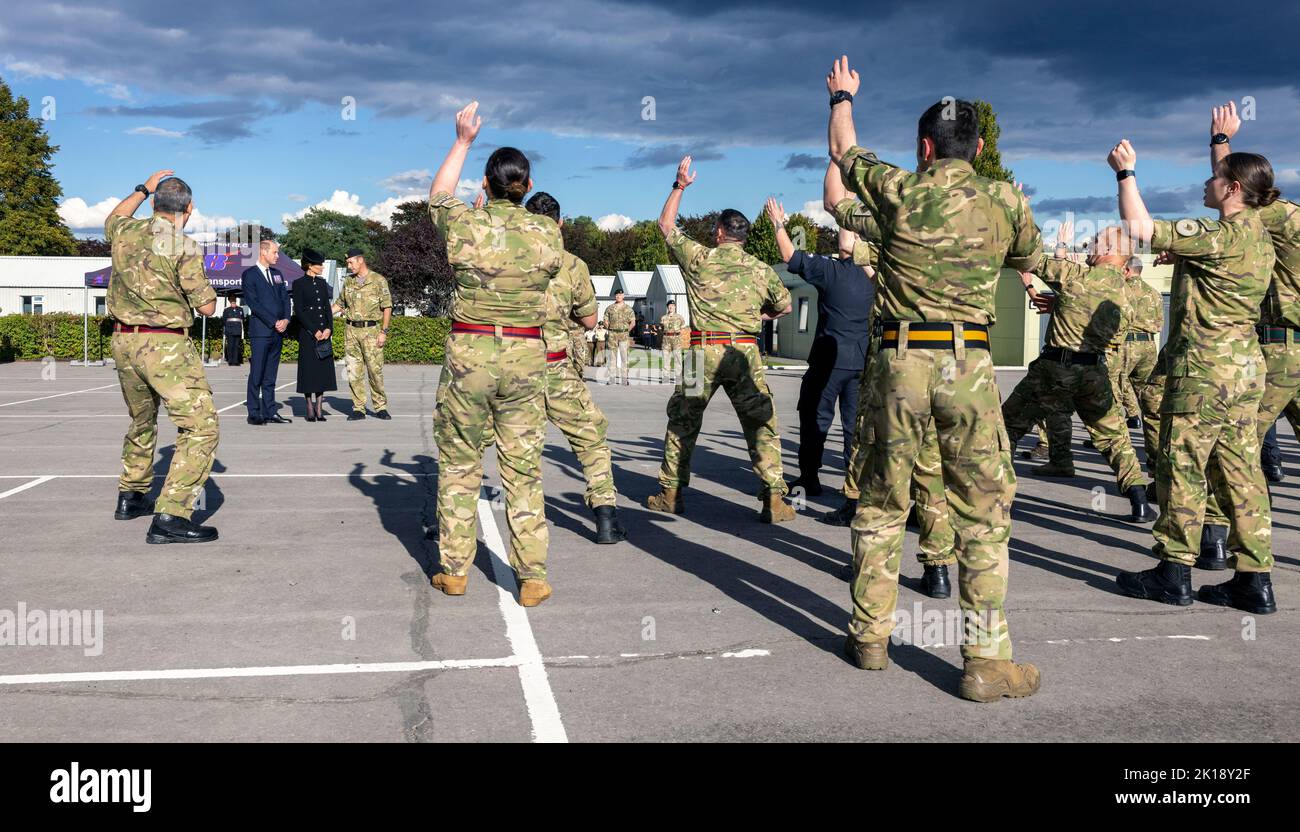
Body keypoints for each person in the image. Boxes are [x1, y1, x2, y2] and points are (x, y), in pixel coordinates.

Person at [829, 57, 1042, 700]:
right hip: (970, 366)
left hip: (897, 363)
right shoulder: (1004, 198)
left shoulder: (898, 190)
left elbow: (844, 153)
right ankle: (983, 659)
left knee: (882, 504)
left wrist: (841, 96)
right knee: (981, 515)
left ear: (924, 148)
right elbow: (1029, 257)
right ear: (977, 148)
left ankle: (870, 637)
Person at [1111, 138, 1277, 615]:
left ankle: (1173, 571)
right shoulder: (1260, 236)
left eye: (1215, 176)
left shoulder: (1218, 235)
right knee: (1241, 472)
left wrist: (1126, 173)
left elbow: (1139, 228)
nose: (1207, 180)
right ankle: (1254, 579)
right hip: (1245, 369)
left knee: (1182, 463)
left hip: (1203, 369)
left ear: (1233, 189)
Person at [427, 102, 564, 607]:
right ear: (527, 188)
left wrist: (462, 141)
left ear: (485, 185)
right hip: (527, 353)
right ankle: (532, 577)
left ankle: (456, 570)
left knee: (460, 464)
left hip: (470, 352)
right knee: (523, 468)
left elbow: (438, 196)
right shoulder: (547, 231)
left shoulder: (467, 225)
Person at [822, 162, 955, 599]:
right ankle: (937, 569)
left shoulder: (896, 227)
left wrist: (837, 158)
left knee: (886, 470)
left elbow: (840, 223)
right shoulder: (968, 234)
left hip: (899, 363)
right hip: (955, 364)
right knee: (931, 472)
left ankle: (872, 570)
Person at [643, 155, 796, 523]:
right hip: (744, 350)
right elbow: (786, 306)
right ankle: (774, 499)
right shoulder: (760, 269)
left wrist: (679, 186)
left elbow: (666, 225)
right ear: (743, 237)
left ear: (719, 233)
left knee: (684, 421)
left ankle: (671, 493)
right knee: (760, 422)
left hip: (702, 350)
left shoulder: (701, 258)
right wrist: (757, 318)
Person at [1001, 223, 1156, 522]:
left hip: (1055, 368)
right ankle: (1138, 501)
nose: (1089, 247)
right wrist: (1062, 305)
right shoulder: (1132, 294)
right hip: (1095, 372)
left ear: (1109, 250)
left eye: (1095, 242)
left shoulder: (1075, 276)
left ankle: (999, 498)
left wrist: (1020, 218)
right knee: (1115, 439)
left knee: (1007, 428)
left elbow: (1030, 259)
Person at [105, 169, 219, 544]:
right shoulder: (182, 244)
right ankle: (171, 515)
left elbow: (114, 217)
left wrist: (142, 187)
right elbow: (206, 307)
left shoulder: (124, 233)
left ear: (154, 203)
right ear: (188, 209)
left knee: (141, 420)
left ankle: (131, 495)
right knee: (201, 427)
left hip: (124, 342)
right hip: (165, 346)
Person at [525, 191, 628, 543]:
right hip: (556, 368)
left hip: (512, 369)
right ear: (561, 222)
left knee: (483, 442)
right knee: (591, 440)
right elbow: (589, 320)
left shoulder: (509, 260)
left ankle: (451, 519)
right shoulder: (572, 265)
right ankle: (605, 518)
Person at [766, 196, 872, 502]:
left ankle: (809, 478)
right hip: (861, 361)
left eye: (844, 228)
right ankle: (855, 486)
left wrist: (777, 222)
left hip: (828, 362)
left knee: (814, 420)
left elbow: (789, 255)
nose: (839, 231)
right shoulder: (876, 275)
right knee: (855, 426)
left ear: (854, 238)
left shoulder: (831, 270)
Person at [333, 248, 393, 420]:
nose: (349, 265)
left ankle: (380, 406)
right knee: (353, 371)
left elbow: (387, 306)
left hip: (372, 331)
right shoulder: (349, 282)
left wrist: (384, 331)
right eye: (347, 263)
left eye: (351, 262)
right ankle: (358, 408)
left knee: (375, 371)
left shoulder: (378, 280)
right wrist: (322, 318)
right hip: (351, 332)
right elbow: (340, 303)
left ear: (360, 261)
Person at [241, 239, 292, 425]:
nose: (277, 256)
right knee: (257, 374)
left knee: (271, 375)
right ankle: (254, 412)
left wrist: (286, 319)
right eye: (275, 252)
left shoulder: (277, 274)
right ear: (263, 252)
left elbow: (286, 299)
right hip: (261, 332)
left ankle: (271, 411)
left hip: (278, 332)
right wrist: (273, 322)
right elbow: (254, 304)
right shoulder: (249, 275)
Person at [1112, 256, 1161, 434]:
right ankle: (1154, 439)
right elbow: (1159, 322)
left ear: (1127, 270)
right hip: (1148, 344)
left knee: (1115, 384)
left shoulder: (1122, 290)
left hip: (1127, 343)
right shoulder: (1154, 293)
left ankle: (1116, 436)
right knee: (1148, 392)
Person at [291, 248, 337, 422]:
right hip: (308, 333)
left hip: (323, 332)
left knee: (322, 370)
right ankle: (309, 405)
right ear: (310, 266)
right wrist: (314, 330)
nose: (322, 267)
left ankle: (319, 406)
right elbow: (299, 311)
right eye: (320, 264)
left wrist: (328, 329)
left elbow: (327, 308)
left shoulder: (322, 283)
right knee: (308, 370)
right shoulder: (299, 283)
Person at [602, 290, 635, 384]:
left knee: (624, 357)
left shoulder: (628, 309)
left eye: (620, 294)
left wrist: (626, 330)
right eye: (616, 294)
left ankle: (625, 378)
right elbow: (605, 320)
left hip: (624, 334)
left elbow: (633, 322)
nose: (618, 296)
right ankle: (611, 378)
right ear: (615, 296)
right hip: (612, 334)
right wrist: (609, 328)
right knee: (612, 356)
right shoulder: (610, 308)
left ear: (623, 296)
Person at [659, 301, 685, 384]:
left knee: (678, 359)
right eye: (669, 306)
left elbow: (683, 327)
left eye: (672, 306)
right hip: (666, 339)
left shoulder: (679, 317)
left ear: (675, 307)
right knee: (666, 359)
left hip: (676, 339)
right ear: (667, 307)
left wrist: (679, 335)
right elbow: (661, 328)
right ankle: (666, 377)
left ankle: (678, 378)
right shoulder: (663, 318)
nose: (671, 307)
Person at [221, 297, 246, 366]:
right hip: (230, 330)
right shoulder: (227, 310)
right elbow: (224, 320)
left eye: (234, 301)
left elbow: (242, 319)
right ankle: (230, 361)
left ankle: (236, 361)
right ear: (230, 301)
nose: (233, 302)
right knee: (230, 346)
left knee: (236, 346)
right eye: (232, 301)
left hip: (237, 330)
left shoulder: (240, 309)